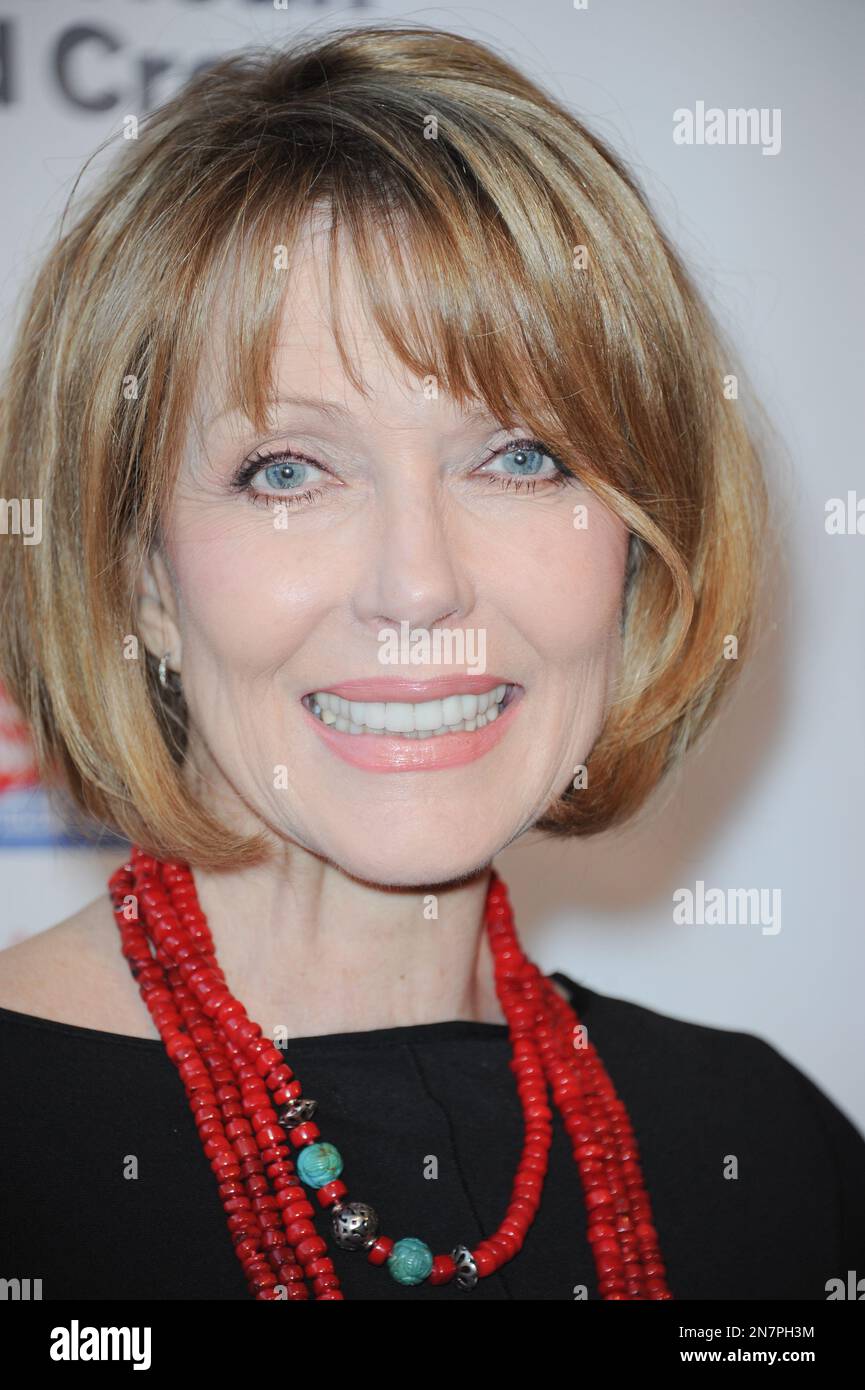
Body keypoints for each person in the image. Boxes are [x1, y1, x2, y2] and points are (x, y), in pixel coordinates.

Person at [0, 23, 861, 1302]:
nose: (420, 584)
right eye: (287, 470)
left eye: (519, 457)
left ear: (633, 548)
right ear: (141, 580)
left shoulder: (768, 1155)